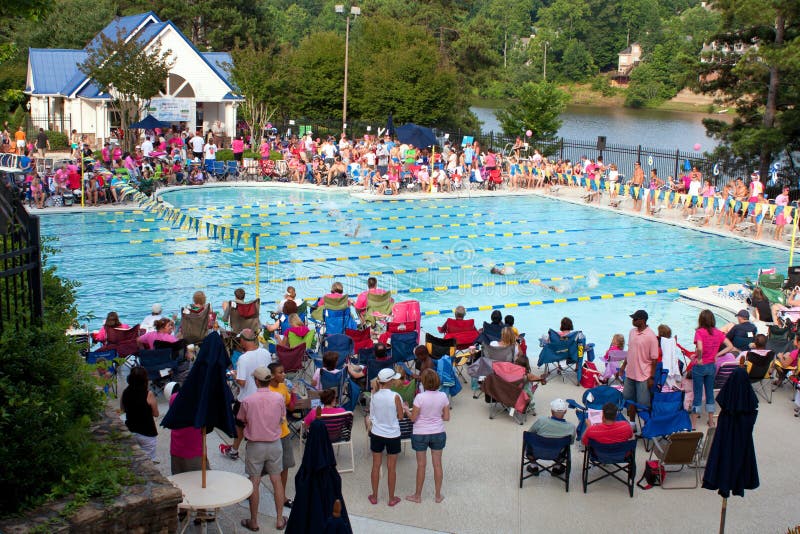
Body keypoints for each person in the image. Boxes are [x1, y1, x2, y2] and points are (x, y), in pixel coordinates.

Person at [238, 366, 287, 532]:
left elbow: (242, 420)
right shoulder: (279, 398)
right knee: (277, 481)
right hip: (274, 443)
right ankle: (280, 519)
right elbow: (282, 418)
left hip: (255, 444)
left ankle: (254, 521)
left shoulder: (248, 401)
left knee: (254, 482)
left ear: (256, 381)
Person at [221, 328, 270, 460]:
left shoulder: (243, 358)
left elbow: (242, 382)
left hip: (247, 399)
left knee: (239, 425)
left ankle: (234, 449)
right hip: (264, 395)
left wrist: (235, 375)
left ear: (243, 340)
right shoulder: (266, 353)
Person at [405, 369, 450, 504]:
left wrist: (407, 409)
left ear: (423, 382)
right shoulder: (443, 396)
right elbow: (446, 417)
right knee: (437, 465)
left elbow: (413, 418)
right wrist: (435, 416)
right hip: (438, 432)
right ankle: (437, 495)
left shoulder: (420, 397)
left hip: (420, 433)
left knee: (421, 465)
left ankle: (417, 496)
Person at [367, 368, 405, 507]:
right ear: (390, 381)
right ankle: (391, 498)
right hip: (393, 434)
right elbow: (401, 416)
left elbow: (372, 416)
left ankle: (375, 496)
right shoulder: (395, 396)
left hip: (377, 433)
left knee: (376, 466)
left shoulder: (374, 396)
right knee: (391, 468)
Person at [692, 309, 734, 429]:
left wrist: (699, 358)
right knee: (710, 393)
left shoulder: (699, 332)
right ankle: (711, 422)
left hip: (700, 367)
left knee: (698, 394)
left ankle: (694, 424)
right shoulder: (718, 333)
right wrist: (717, 355)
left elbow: (699, 347)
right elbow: (730, 346)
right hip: (711, 366)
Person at [267, 362, 297, 510]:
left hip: (284, 432)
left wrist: (294, 394)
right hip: (269, 434)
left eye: (284, 372)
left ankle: (282, 495)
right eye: (281, 372)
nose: (284, 375)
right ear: (272, 375)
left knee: (285, 466)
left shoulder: (283, 386)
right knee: (262, 468)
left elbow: (290, 407)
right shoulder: (266, 390)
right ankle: (251, 491)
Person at [619, 309, 659, 418]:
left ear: (643, 320)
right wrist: (623, 366)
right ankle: (632, 423)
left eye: (635, 319)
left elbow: (654, 359)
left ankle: (646, 426)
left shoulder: (651, 336)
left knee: (643, 404)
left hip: (643, 375)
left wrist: (652, 377)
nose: (633, 321)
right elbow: (630, 351)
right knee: (628, 399)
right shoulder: (632, 332)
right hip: (630, 373)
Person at [525, 398, 576, 475]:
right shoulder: (571, 427)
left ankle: (533, 466)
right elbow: (571, 442)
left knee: (530, 439)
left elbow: (530, 433)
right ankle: (557, 467)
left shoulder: (541, 421)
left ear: (551, 411)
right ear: (565, 411)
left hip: (536, 452)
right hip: (558, 454)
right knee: (565, 447)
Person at [120, 366, 159, 461]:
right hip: (147, 432)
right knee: (150, 461)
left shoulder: (125, 392)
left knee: (133, 460)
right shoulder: (148, 394)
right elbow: (156, 413)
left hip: (131, 429)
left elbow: (122, 409)